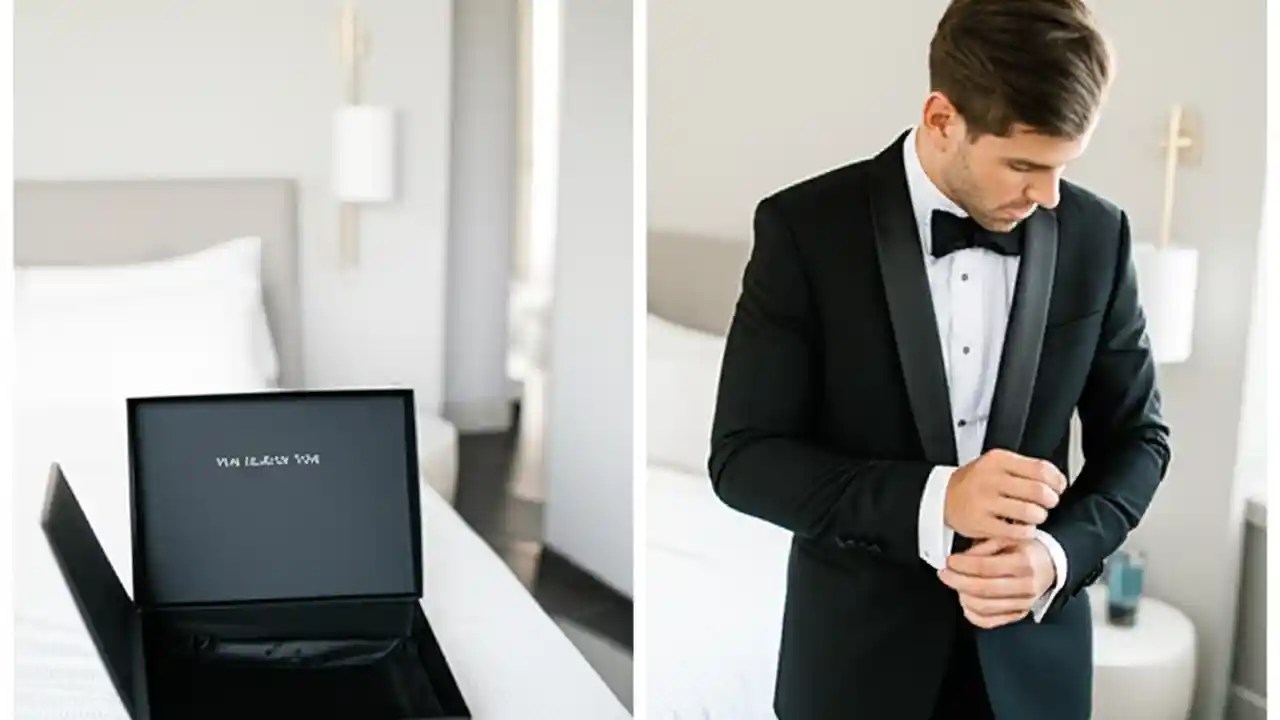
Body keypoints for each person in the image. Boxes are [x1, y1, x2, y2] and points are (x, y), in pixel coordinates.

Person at [707, 1, 1171, 718]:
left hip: (1034, 672)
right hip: (854, 671)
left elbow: (1139, 439)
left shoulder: (1097, 235)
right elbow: (744, 460)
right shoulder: (805, 231)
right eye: (1022, 164)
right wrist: (936, 499)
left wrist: (1057, 556)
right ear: (941, 118)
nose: (1045, 196)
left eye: (1061, 167)